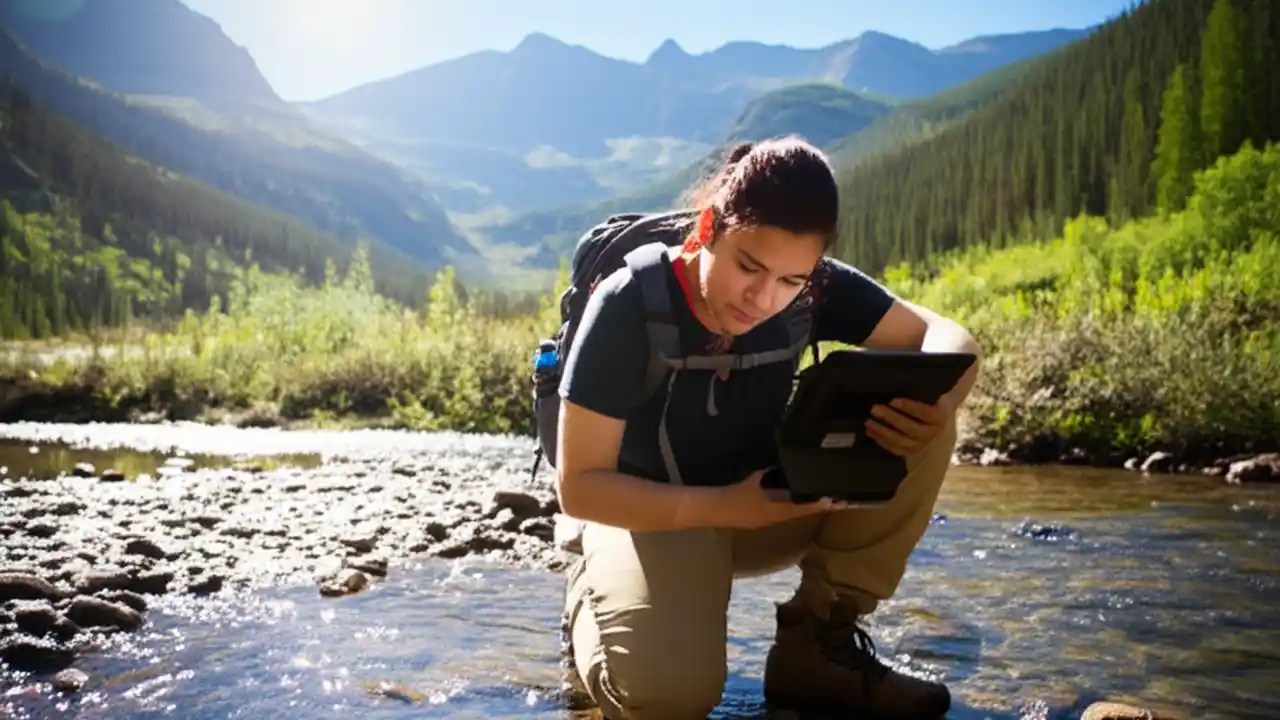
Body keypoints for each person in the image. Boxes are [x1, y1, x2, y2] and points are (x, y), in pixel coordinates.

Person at [554, 134, 981, 720]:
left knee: (926, 421)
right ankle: (590, 602)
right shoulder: (628, 305)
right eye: (748, 267)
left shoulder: (814, 288)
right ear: (708, 229)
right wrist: (726, 507)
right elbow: (579, 487)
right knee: (667, 700)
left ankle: (816, 644)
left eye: (789, 280)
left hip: (766, 505)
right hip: (646, 515)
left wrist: (941, 402)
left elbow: (947, 338)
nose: (762, 298)